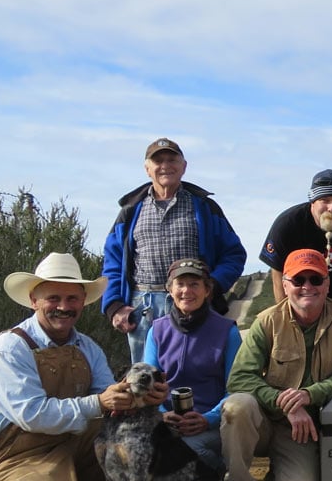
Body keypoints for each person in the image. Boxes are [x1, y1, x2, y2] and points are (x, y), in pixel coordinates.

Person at [0, 253, 166, 481]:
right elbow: (31, 415)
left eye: (72, 299)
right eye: (53, 298)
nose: (64, 307)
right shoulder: (9, 349)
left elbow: (109, 397)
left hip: (66, 440)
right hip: (9, 455)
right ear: (34, 300)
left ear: (83, 301)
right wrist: (100, 402)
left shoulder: (88, 346)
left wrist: (143, 396)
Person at [220, 248, 332, 481]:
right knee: (236, 407)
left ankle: (276, 480)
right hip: (263, 421)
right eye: (298, 280)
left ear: (327, 283)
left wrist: (309, 395)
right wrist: (284, 402)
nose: (307, 287)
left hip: (300, 431)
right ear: (285, 285)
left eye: (315, 279)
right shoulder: (266, 321)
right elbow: (239, 378)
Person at [102, 137, 246, 363]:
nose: (165, 166)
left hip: (194, 301)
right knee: (145, 379)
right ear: (147, 169)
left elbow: (234, 254)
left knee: (198, 370)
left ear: (184, 166)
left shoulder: (205, 207)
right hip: (143, 307)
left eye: (172, 159)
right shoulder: (130, 211)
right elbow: (112, 261)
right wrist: (114, 306)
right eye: (158, 161)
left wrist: (211, 287)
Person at [143, 258, 242, 475]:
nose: (187, 290)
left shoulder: (228, 332)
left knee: (187, 448)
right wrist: (162, 415)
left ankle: (222, 478)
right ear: (170, 289)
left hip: (213, 427)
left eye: (195, 284)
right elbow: (147, 386)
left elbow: (236, 389)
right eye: (180, 284)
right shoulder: (156, 332)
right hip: (167, 425)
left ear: (208, 290)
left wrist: (208, 419)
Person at [258, 169, 332, 309]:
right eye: (325, 200)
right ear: (313, 202)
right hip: (300, 300)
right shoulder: (287, 226)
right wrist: (287, 319)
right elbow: (279, 278)